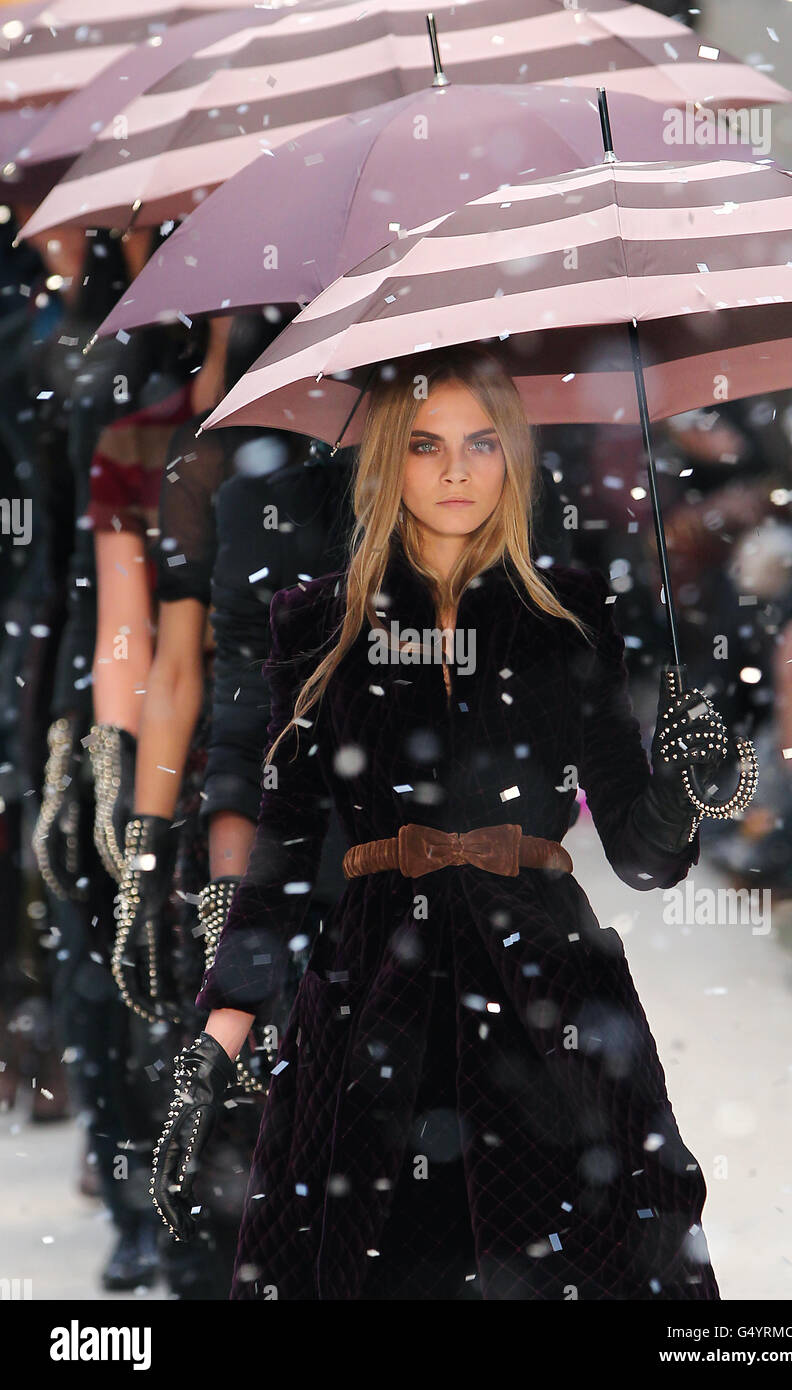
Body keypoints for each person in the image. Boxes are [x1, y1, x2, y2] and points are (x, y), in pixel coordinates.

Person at [151, 345, 728, 1301]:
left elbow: (642, 857)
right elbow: (285, 857)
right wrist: (214, 1042)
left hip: (550, 1004)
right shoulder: (321, 629)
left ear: (514, 457)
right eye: (426, 444)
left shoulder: (569, 620)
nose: (456, 469)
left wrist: (683, 789)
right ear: (387, 456)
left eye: (480, 442)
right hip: (375, 1000)